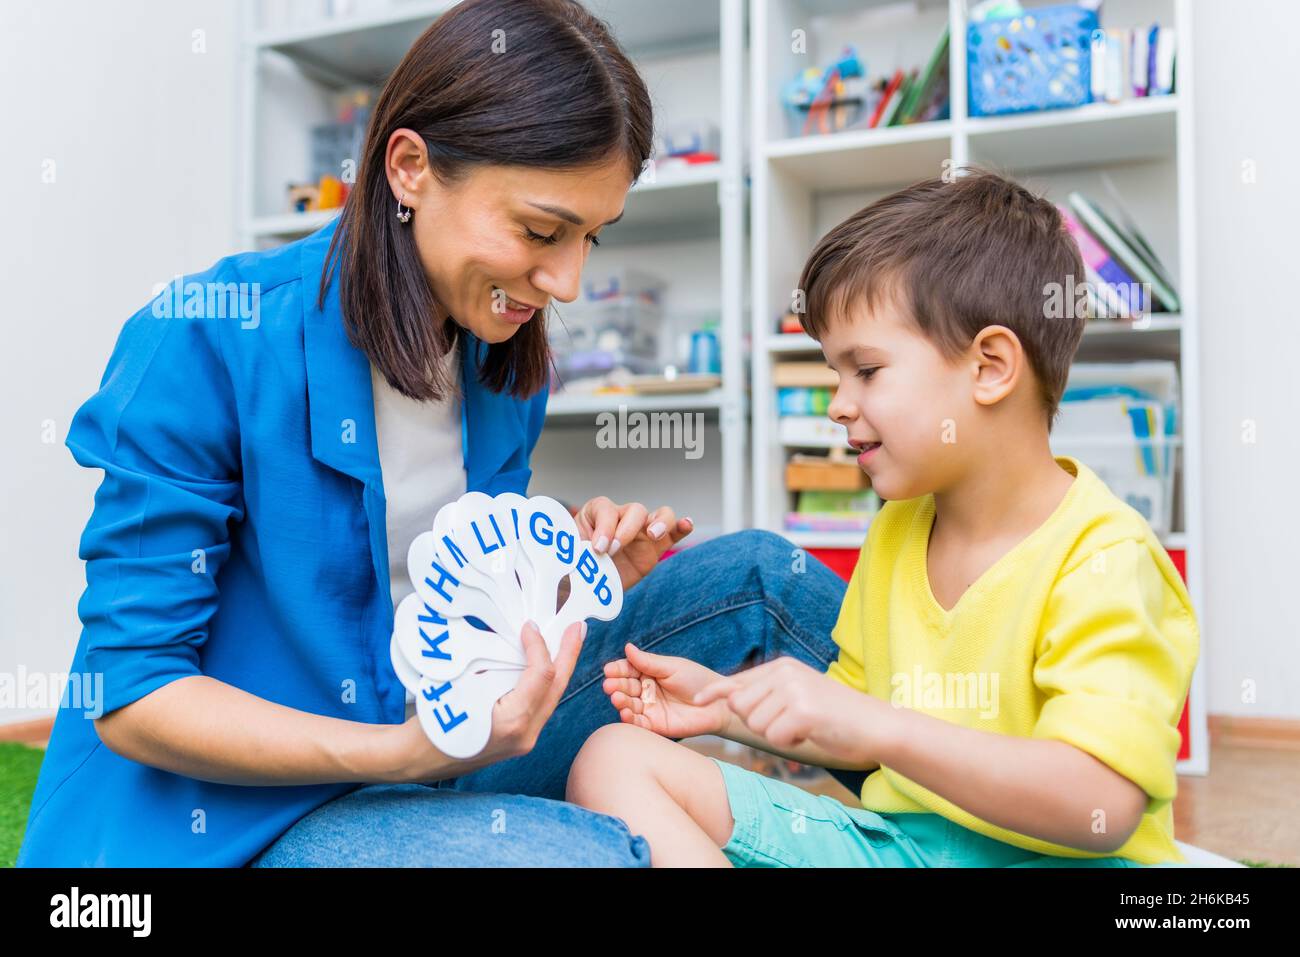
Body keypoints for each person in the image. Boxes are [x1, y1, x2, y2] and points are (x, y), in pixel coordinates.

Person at [17, 0, 862, 867]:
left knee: (762, 575)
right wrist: (406, 753)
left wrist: (569, 580)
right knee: (581, 854)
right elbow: (134, 695)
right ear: (410, 167)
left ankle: (967, 801)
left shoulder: (496, 360)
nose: (566, 280)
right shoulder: (205, 340)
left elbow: (451, 599)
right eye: (541, 230)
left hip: (440, 749)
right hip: (246, 817)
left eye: (589, 238)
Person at [566, 169, 1200, 868]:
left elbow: (1099, 804)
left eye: (864, 370)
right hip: (904, 849)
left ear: (990, 366)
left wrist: (882, 727)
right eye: (834, 373)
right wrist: (726, 708)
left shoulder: (1105, 555)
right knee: (612, 757)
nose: (837, 402)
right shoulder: (898, 529)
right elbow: (848, 720)